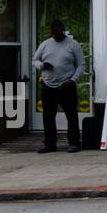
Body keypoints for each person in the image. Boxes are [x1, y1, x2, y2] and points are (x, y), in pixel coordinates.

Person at [32, 19, 85, 153]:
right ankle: (50, 143)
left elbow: (81, 64)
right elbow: (34, 60)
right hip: (48, 84)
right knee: (48, 116)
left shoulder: (73, 44)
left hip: (66, 85)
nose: (56, 34)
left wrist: (73, 79)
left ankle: (74, 143)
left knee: (71, 115)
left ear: (63, 30)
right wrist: (42, 65)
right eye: (53, 32)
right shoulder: (45, 44)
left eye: (58, 31)